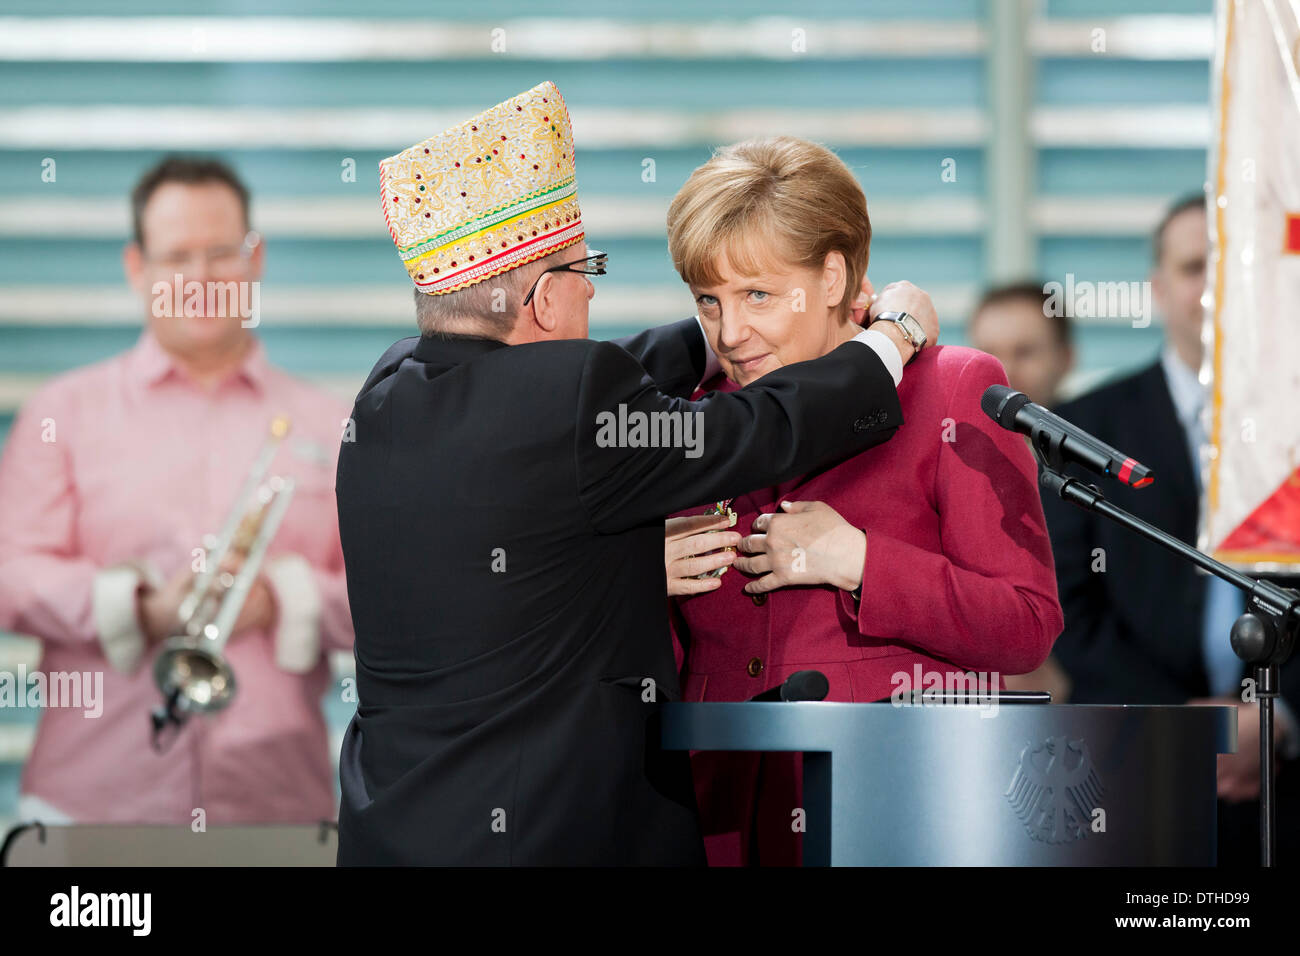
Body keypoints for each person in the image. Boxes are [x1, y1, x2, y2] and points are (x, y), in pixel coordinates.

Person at [334, 82, 938, 865]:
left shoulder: (386, 394)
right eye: (586, 272)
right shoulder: (568, 408)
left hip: (398, 830)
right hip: (549, 833)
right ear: (547, 301)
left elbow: (593, 396)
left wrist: (732, 311)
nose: (593, 290)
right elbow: (756, 428)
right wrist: (890, 339)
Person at [662, 136, 1063, 866]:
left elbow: (1026, 627)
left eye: (757, 294)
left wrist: (863, 563)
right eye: (708, 301)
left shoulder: (951, 387)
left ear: (833, 275)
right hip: (712, 824)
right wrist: (640, 573)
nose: (730, 332)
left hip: (898, 815)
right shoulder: (691, 417)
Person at [0, 156, 354, 824]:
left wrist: (284, 598)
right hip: (91, 808)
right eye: (176, 257)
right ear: (138, 268)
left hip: (276, 807)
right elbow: (11, 577)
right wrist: (134, 607)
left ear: (256, 258)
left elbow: (394, 597)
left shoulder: (332, 425)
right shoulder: (62, 412)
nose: (200, 279)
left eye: (221, 253)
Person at [1041, 193, 1300, 865]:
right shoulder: (1088, 429)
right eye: (1194, 266)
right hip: (1139, 775)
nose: (1214, 286)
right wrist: (1181, 728)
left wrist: (1281, 716)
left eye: (1232, 265)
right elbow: (1070, 608)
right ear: (1157, 289)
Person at [967, 282, 1075, 700]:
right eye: (988, 354)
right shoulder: (945, 458)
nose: (1004, 373)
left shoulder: (1100, 470)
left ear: (1066, 360)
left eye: (1025, 352)